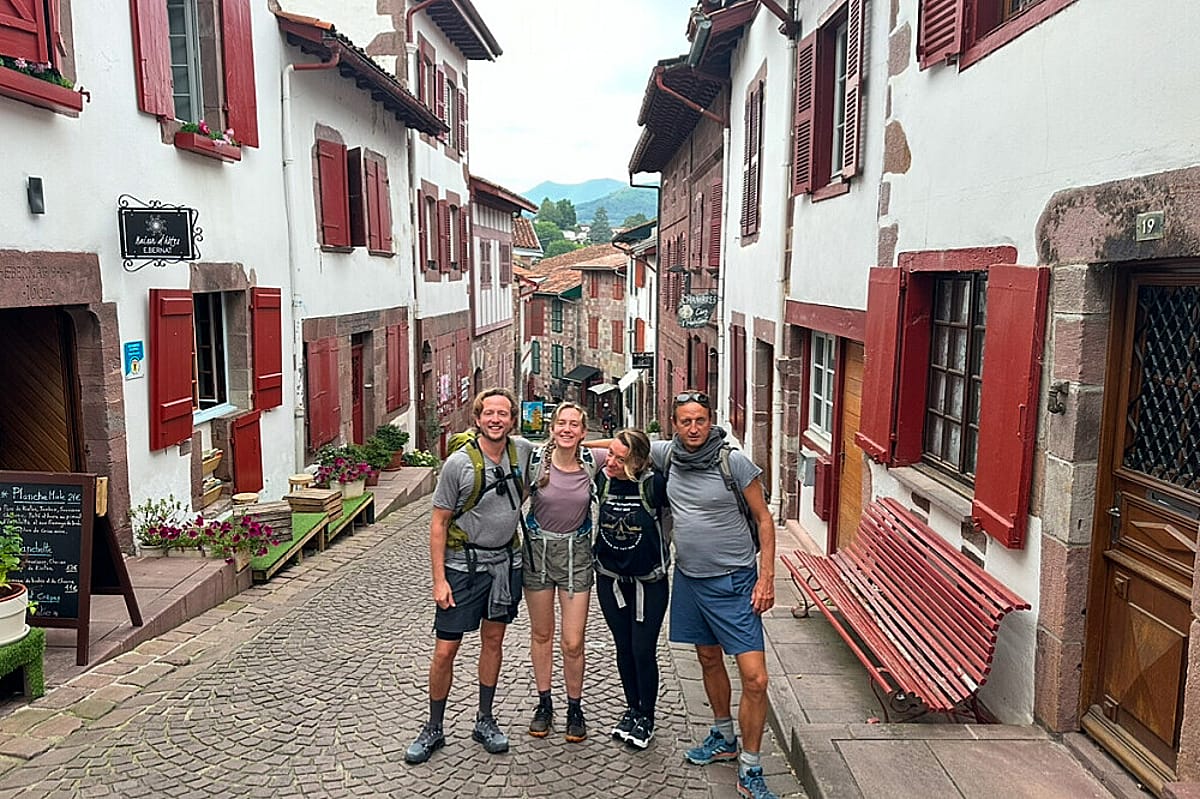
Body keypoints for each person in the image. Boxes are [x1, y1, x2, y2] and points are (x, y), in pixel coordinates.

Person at [653, 391, 778, 799]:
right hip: (689, 579)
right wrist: (567, 440)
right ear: (674, 423)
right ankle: (724, 737)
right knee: (707, 658)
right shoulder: (667, 456)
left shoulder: (733, 461)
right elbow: (621, 446)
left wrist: (767, 578)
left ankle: (751, 768)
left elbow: (763, 519)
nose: (693, 428)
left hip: (735, 582)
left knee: (756, 679)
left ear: (711, 421)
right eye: (686, 421)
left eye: (700, 421)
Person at [405, 388, 536, 765]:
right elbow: (438, 523)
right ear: (477, 419)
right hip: (462, 568)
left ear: (513, 419)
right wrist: (439, 580)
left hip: (505, 566)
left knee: (493, 641)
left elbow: (567, 449)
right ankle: (433, 727)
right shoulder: (457, 464)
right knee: (446, 649)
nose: (496, 419)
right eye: (489, 413)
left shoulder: (523, 452)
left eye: (504, 413)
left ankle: (485, 719)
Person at [522, 402, 600, 742]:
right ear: (552, 428)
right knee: (541, 634)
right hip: (538, 553)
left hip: (577, 555)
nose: (567, 429)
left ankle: (575, 706)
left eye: (575, 424)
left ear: (584, 432)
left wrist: (599, 445)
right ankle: (543, 703)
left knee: (573, 640)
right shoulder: (535, 463)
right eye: (561, 423)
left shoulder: (591, 463)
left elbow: (626, 446)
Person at [592, 427, 669, 751]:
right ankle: (631, 709)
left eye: (618, 458)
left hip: (649, 583)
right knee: (623, 648)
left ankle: (647, 716)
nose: (609, 461)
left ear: (637, 461)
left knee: (642, 649)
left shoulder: (654, 484)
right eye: (609, 453)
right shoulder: (603, 479)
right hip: (610, 580)